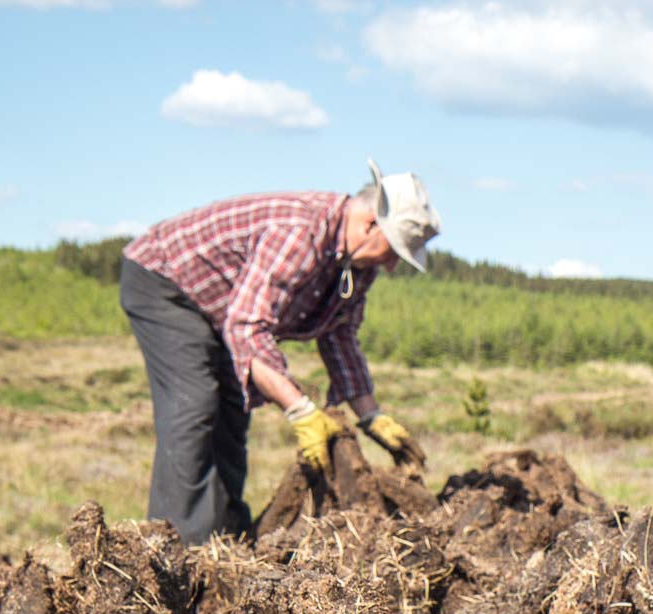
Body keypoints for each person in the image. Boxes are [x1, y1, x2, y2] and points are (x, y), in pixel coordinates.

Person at [118, 159, 439, 544]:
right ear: (371, 224)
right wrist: (301, 411)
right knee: (195, 404)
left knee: (233, 409)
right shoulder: (300, 233)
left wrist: (371, 416)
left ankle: (226, 538)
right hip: (166, 281)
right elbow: (247, 327)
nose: (389, 267)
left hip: (221, 307)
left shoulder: (356, 265)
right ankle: (177, 547)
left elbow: (340, 337)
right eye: (392, 251)